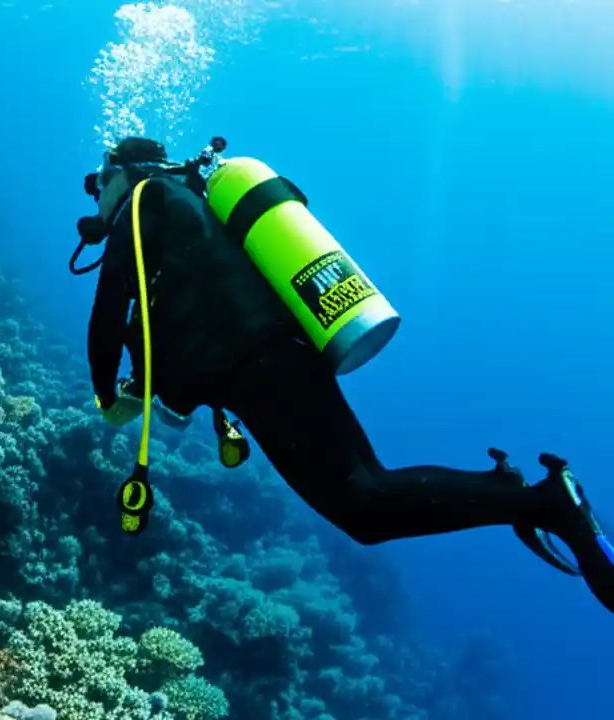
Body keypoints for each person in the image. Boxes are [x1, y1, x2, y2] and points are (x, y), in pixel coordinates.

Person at [73, 135, 614, 612]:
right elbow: (176, 320)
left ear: (124, 172)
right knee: (366, 489)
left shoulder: (145, 201)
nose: (98, 194)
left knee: (363, 506)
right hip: (281, 358)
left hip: (259, 367)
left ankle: (544, 502)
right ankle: (518, 495)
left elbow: (109, 313)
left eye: (100, 181)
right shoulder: (194, 207)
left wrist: (106, 397)